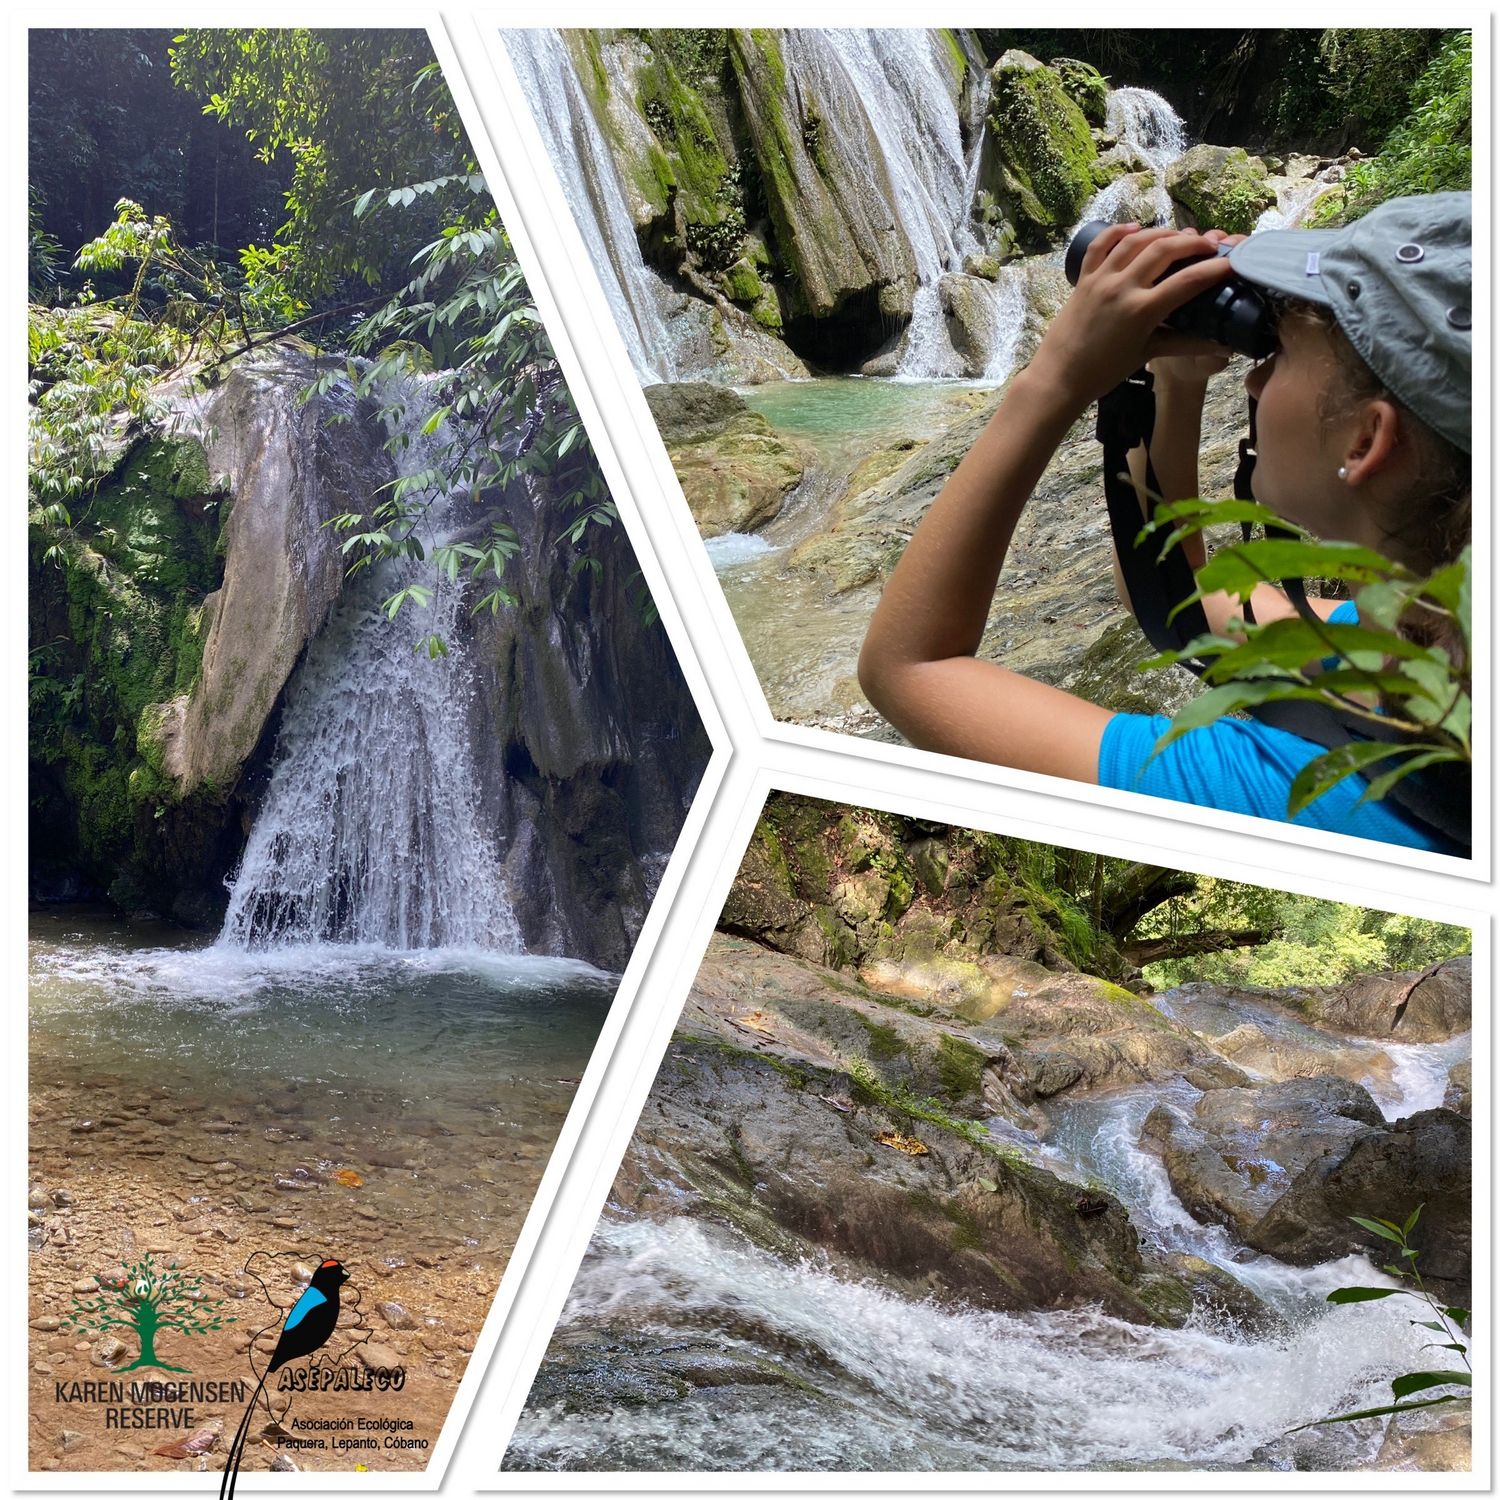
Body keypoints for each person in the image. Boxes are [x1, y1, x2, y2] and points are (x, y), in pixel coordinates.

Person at [858, 192, 1471, 852]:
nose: (1256, 379)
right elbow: (1181, 599)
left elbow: (906, 670)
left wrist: (1054, 378)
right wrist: (1180, 385)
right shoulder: (1428, 637)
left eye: (1280, 351)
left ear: (1364, 440)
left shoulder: (1291, 797)